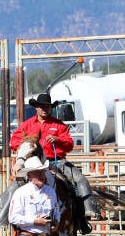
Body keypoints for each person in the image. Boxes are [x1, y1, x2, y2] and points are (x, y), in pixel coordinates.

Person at [9, 92, 100, 220]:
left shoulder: (59, 125)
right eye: (41, 106)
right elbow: (13, 141)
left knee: (80, 180)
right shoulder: (26, 125)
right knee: (14, 185)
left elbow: (69, 145)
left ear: (51, 108)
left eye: (47, 106)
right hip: (32, 164)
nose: (44, 109)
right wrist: (26, 145)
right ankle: (4, 214)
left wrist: (58, 139)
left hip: (57, 162)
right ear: (36, 107)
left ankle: (89, 211)